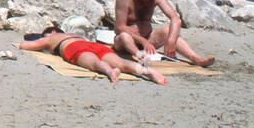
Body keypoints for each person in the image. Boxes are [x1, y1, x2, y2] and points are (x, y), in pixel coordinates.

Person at [113, 0, 215, 67]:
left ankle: (196, 59)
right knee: (124, 36)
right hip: (126, 42)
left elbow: (175, 18)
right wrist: (142, 40)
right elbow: (119, 27)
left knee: (168, 31)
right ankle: (140, 57)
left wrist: (171, 40)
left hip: (149, 38)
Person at [19, 30, 166, 84]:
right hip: (94, 45)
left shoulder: (51, 38)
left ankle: (110, 72)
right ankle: (149, 72)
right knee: (121, 62)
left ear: (52, 32)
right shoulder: (74, 34)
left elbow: (24, 46)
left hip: (73, 47)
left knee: (94, 63)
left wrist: (42, 42)